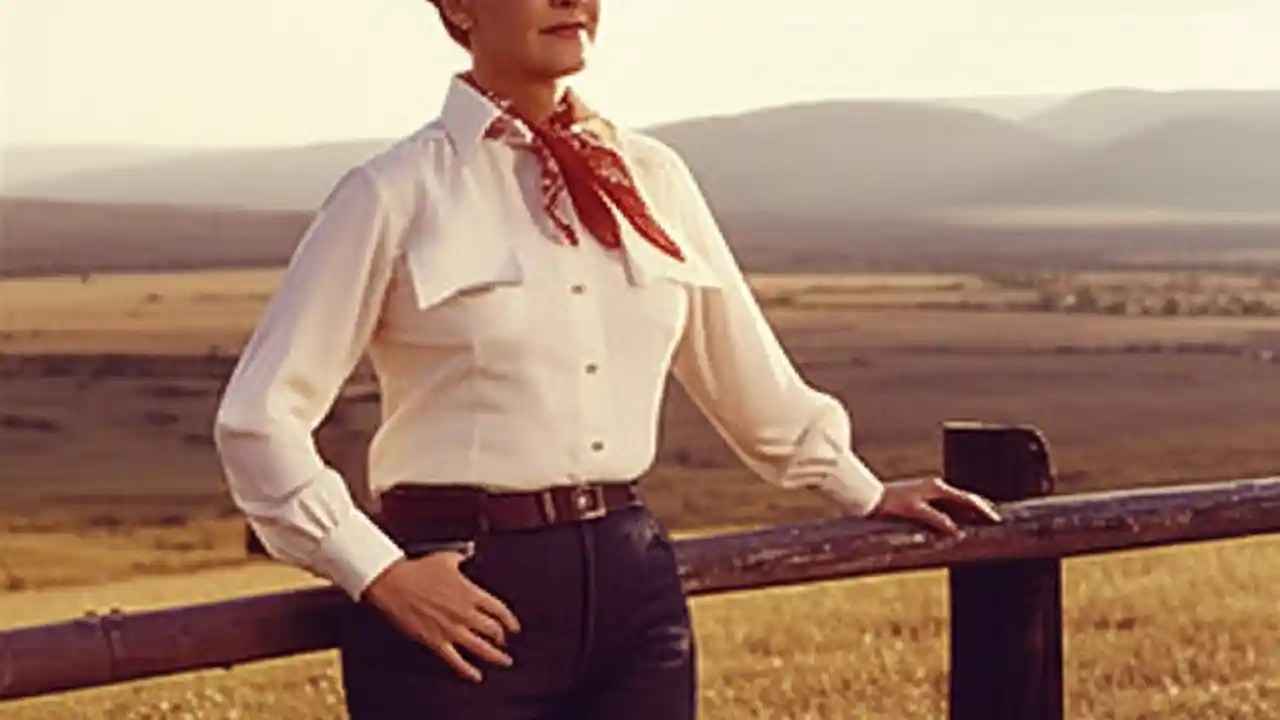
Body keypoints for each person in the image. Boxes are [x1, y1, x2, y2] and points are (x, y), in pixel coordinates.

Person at [211, 1, 1003, 718]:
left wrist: (860, 489)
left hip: (634, 593)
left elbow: (740, 368)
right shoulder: (393, 192)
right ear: (457, 5)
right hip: (457, 598)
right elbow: (259, 419)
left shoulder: (652, 177)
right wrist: (377, 572)